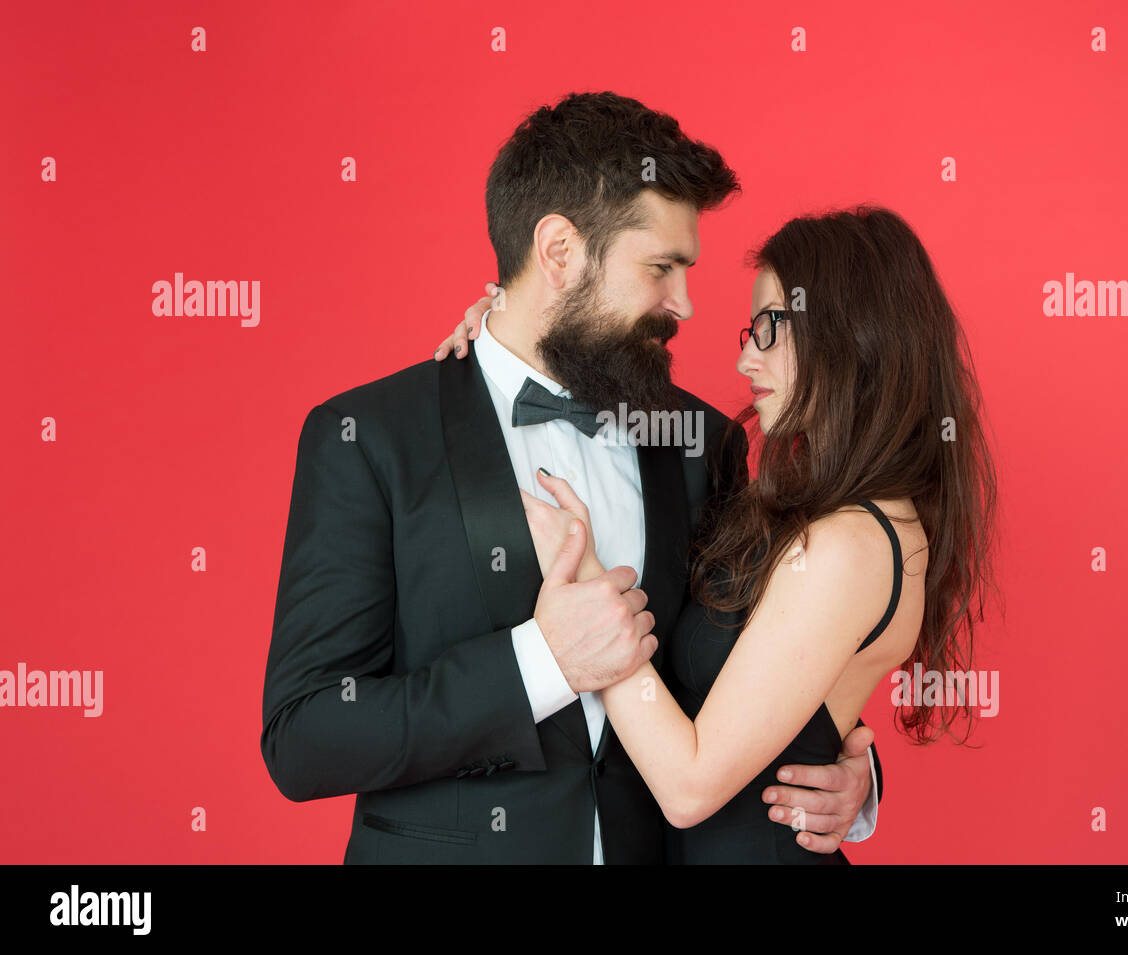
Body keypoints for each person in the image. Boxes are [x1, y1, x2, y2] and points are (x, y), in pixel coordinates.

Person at [261, 91, 883, 864]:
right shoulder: (369, 438)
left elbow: (744, 661)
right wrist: (542, 663)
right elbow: (306, 735)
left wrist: (847, 775)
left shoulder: (703, 442)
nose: (684, 304)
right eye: (661, 268)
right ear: (559, 251)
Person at [437, 204, 999, 863]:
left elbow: (688, 786)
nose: (744, 359)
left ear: (852, 332)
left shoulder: (851, 545)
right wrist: (511, 339)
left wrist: (583, 573)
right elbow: (779, 695)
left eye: (770, 327)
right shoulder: (799, 510)